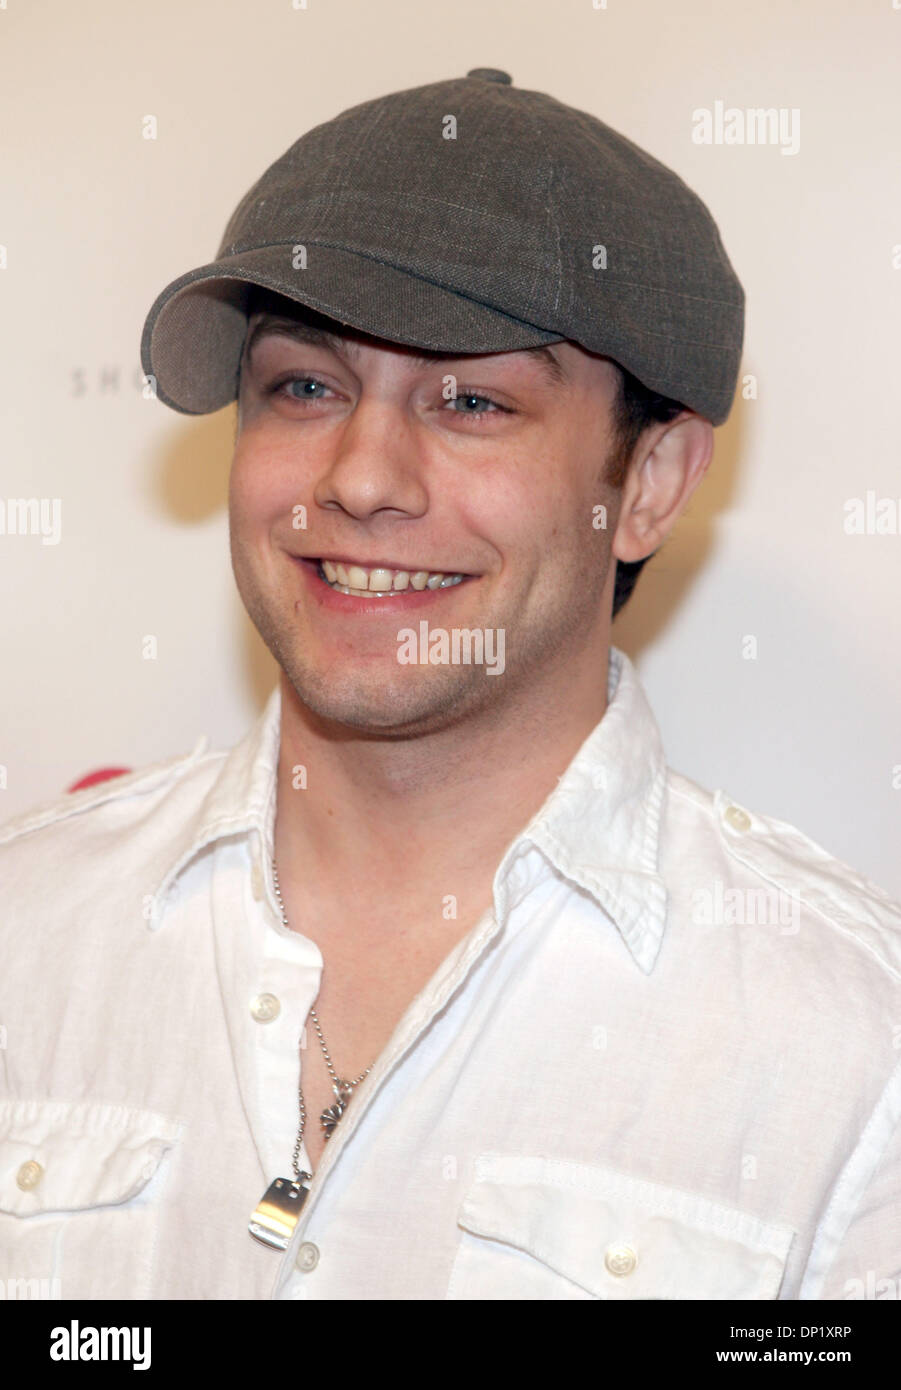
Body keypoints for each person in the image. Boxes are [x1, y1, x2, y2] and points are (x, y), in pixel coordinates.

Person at [2, 67, 899, 1303]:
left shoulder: (852, 1055)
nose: (362, 478)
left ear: (647, 482)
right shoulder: (29, 932)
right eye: (303, 387)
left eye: (470, 399)